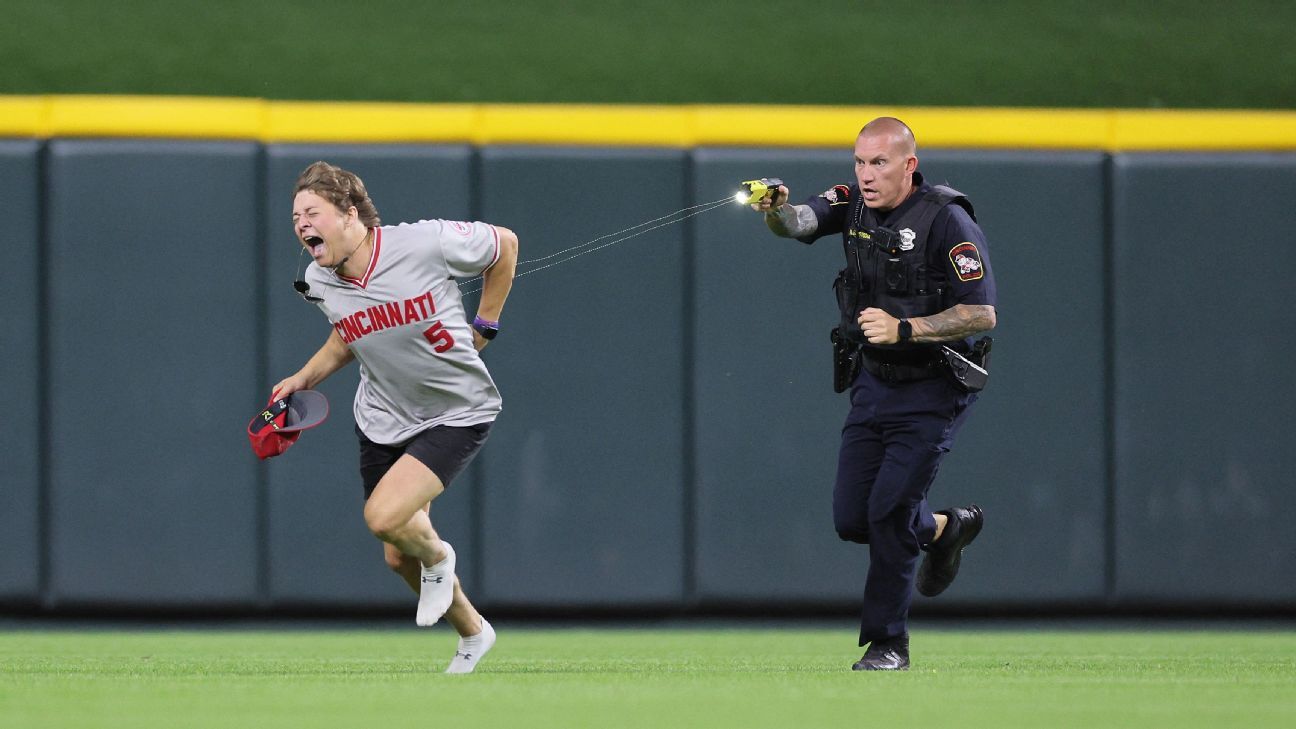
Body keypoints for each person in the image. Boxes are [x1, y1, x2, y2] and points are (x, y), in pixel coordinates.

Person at [752, 117, 996, 670]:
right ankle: (944, 528)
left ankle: (889, 644)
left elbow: (983, 312)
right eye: (860, 162)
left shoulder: (946, 218)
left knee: (889, 511)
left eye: (879, 163)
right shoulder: (855, 203)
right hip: (873, 381)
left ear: (909, 165)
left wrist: (906, 327)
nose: (866, 175)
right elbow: (799, 222)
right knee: (853, 518)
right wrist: (775, 210)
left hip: (933, 386)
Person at [272, 161, 518, 674]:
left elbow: (506, 245)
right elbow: (349, 334)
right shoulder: (320, 278)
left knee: (384, 519)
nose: (301, 224)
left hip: (456, 409)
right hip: (383, 416)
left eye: (312, 212)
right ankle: (474, 633)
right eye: (295, 216)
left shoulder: (423, 243)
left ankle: (439, 558)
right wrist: (302, 379)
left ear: (350, 214)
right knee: (397, 555)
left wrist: (485, 325)